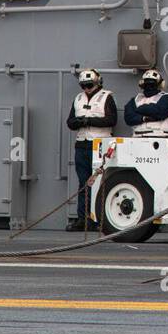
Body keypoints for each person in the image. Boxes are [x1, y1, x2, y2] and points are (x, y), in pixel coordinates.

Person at [65, 68, 117, 232]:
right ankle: (83, 218)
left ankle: (99, 218)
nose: (86, 89)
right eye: (84, 86)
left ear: (97, 83)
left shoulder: (106, 97)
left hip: (100, 144)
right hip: (82, 144)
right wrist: (80, 121)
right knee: (83, 182)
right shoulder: (78, 98)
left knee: (100, 182)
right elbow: (70, 122)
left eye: (89, 85)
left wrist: (89, 120)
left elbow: (111, 119)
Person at [124, 69, 168, 134]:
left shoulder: (167, 98)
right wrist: (144, 118)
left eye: (152, 85)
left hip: (158, 136)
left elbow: (160, 112)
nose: (149, 87)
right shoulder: (135, 99)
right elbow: (129, 118)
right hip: (137, 136)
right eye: (147, 84)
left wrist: (138, 110)